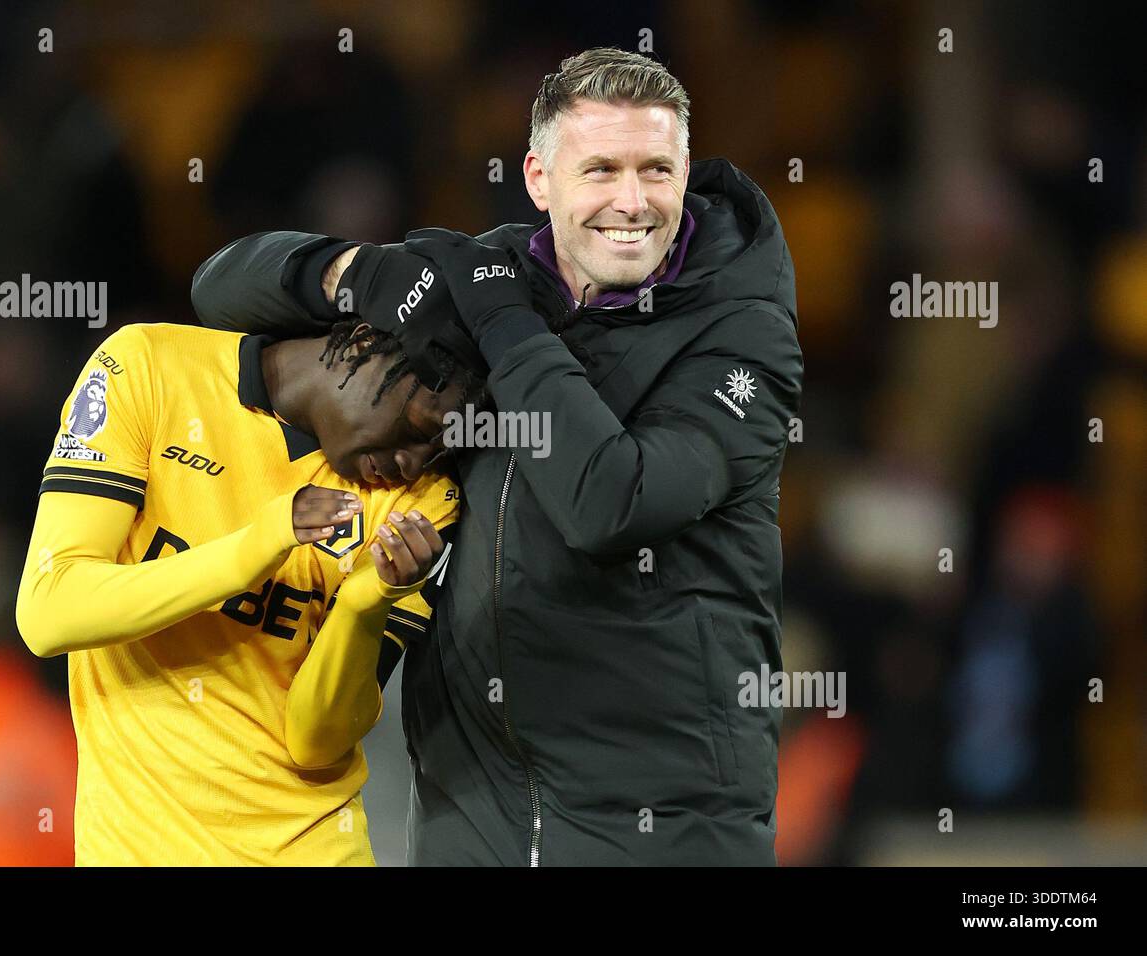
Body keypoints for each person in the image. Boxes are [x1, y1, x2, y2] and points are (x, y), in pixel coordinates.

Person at [191, 47, 803, 865]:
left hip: (666, 816)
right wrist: (362, 275)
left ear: (686, 171)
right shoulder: (491, 274)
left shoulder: (743, 335)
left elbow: (612, 501)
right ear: (539, 179)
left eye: (656, 169)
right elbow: (218, 286)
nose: (632, 201)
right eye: (601, 170)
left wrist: (503, 322)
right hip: (469, 804)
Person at [15, 315, 483, 865]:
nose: (412, 462)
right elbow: (50, 611)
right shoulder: (150, 364)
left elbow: (315, 742)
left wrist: (365, 602)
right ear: (363, 343)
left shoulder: (422, 504)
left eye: (435, 450)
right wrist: (257, 547)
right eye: (417, 426)